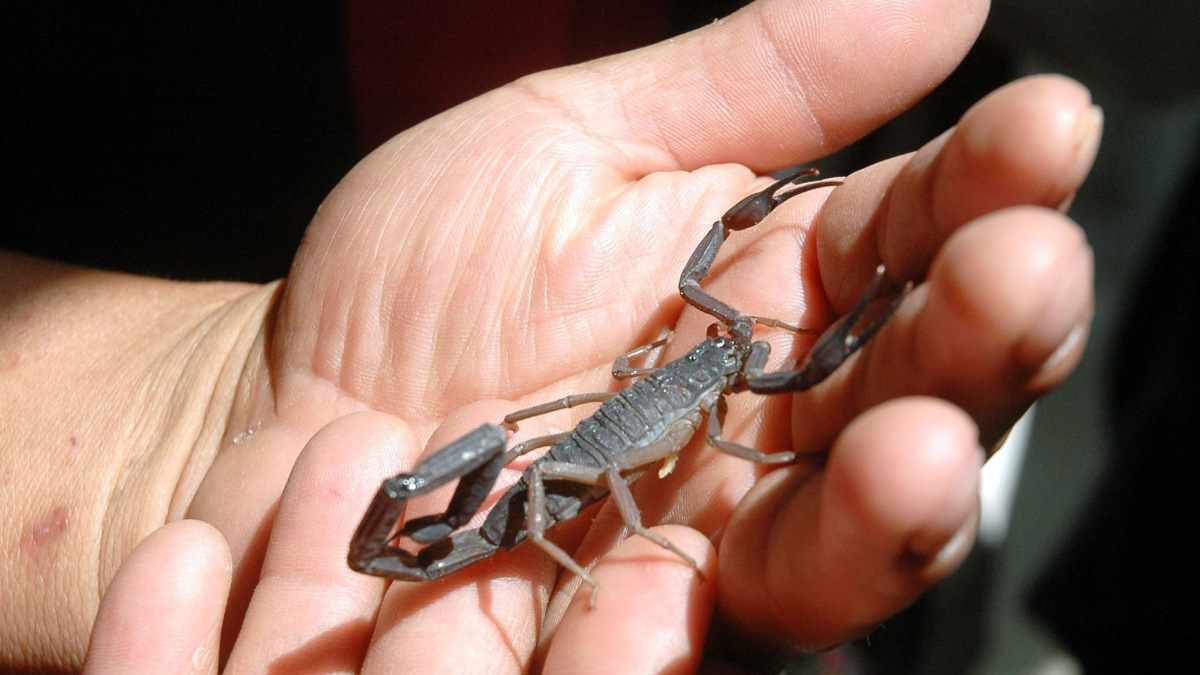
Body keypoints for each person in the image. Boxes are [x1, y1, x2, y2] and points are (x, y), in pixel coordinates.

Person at [0, 0, 1099, 672]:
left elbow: (699, 356)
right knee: (619, 458)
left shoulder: (702, 349)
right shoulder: (718, 378)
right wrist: (625, 530)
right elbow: (715, 440)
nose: (735, 349)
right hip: (564, 474)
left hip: (579, 445)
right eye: (730, 351)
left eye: (732, 351)